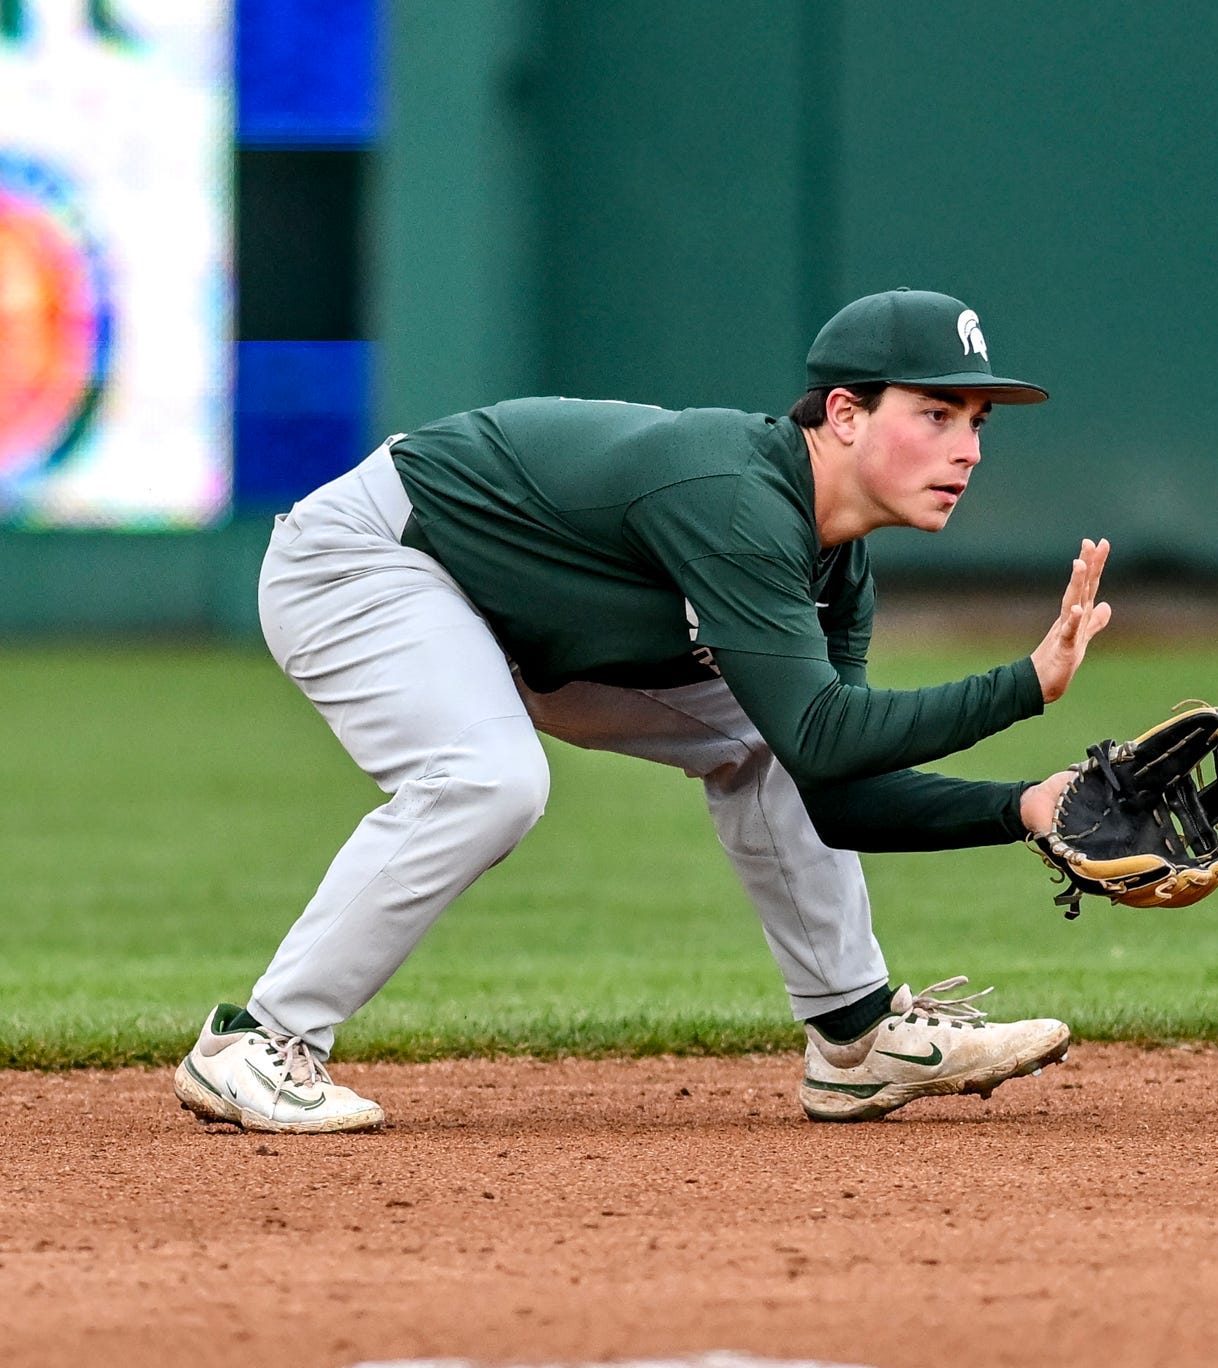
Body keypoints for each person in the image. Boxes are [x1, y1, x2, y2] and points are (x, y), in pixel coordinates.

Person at [173, 288, 1111, 1134]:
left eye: (978, 420)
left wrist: (1028, 806)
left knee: (767, 740)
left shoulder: (835, 566)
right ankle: (257, 1041)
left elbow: (832, 777)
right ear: (844, 414)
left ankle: (858, 1042)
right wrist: (1023, 686)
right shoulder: (739, 498)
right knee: (488, 780)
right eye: (936, 412)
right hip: (369, 555)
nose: (967, 448)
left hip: (527, 620)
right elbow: (832, 732)